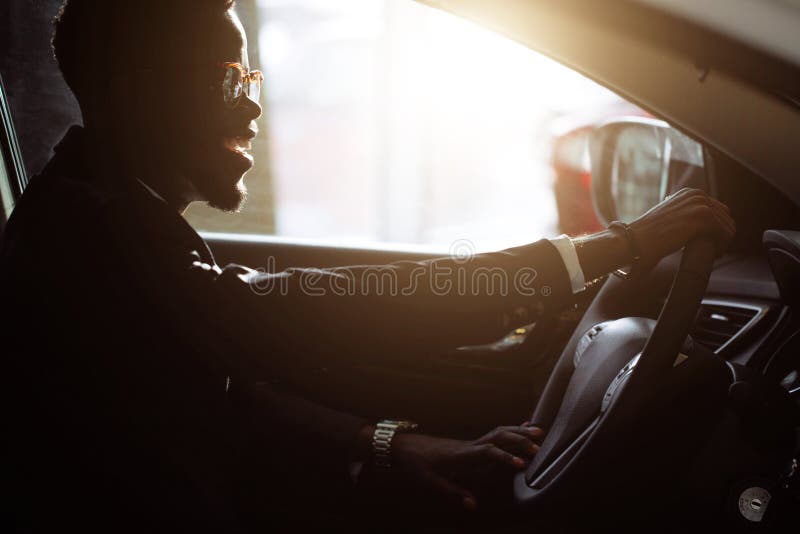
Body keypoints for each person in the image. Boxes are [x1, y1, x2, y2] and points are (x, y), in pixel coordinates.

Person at [0, 0, 735, 531]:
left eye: (251, 84)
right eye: (230, 81)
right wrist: (614, 248)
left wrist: (387, 443)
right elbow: (301, 313)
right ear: (138, 94)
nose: (252, 109)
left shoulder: (115, 216)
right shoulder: (87, 234)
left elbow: (212, 389)